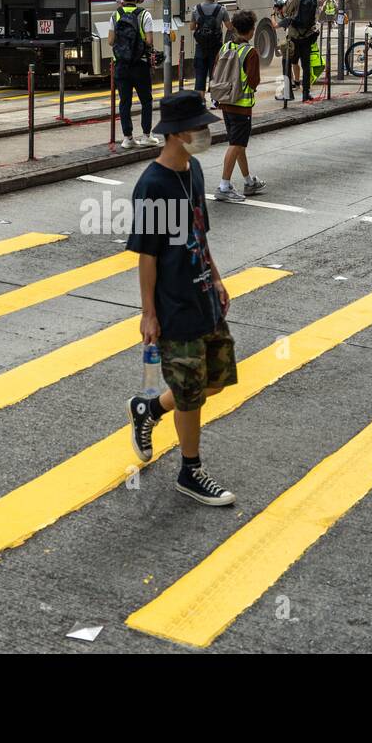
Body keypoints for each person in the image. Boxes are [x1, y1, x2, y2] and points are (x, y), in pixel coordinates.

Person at [125, 91, 238, 505]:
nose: (206, 132)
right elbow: (148, 257)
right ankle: (191, 471)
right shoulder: (153, 185)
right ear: (175, 134)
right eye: (199, 127)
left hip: (204, 292)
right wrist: (148, 314)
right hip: (173, 302)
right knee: (191, 391)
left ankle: (149, 410)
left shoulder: (193, 171)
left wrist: (218, 279)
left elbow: (198, 233)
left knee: (213, 381)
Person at [210, 10, 265, 203]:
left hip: (225, 103)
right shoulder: (250, 52)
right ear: (251, 31)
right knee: (236, 144)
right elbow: (253, 82)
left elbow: (216, 71)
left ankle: (249, 181)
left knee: (238, 143)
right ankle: (224, 186)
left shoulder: (225, 47)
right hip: (242, 106)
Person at [107, 0, 163, 149]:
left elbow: (110, 41)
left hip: (121, 65)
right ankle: (146, 135)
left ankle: (128, 138)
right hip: (140, 64)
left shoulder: (115, 15)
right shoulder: (144, 14)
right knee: (146, 100)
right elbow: (149, 40)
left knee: (125, 102)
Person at [282, 0, 320, 102]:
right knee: (306, 66)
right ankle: (306, 94)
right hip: (307, 37)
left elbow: (285, 12)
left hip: (294, 37)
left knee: (287, 63)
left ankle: (288, 94)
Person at [190, 0, 230, 94]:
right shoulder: (221, 9)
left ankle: (201, 104)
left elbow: (192, 27)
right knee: (216, 76)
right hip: (216, 48)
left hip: (200, 48)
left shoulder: (196, 9)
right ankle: (214, 101)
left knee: (200, 79)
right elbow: (230, 27)